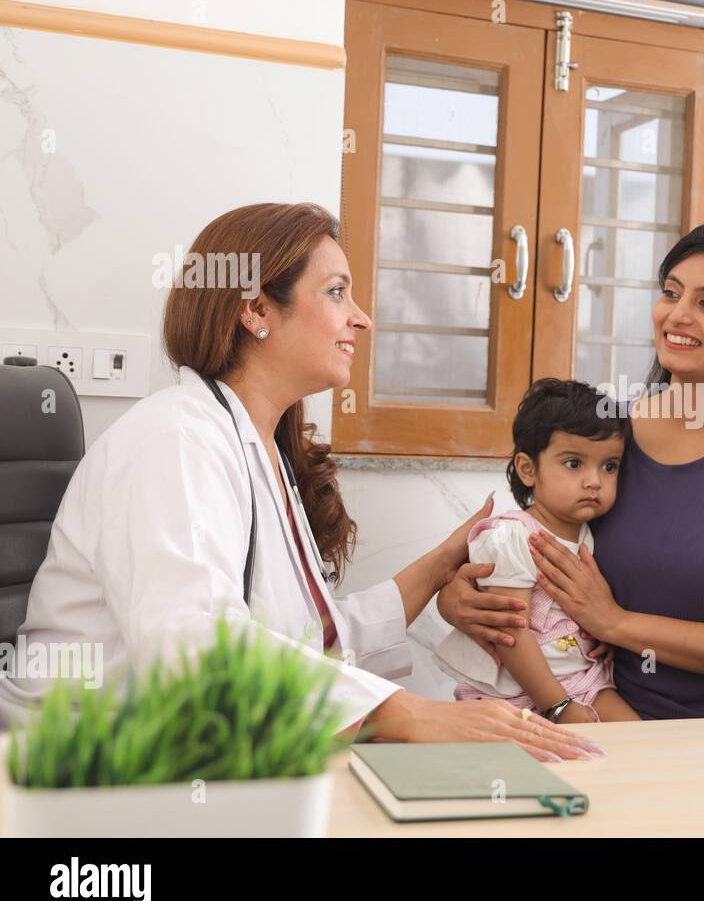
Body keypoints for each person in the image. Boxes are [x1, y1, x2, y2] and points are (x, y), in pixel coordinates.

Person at [0, 202, 598, 763]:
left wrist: (443, 564)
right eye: (336, 292)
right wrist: (410, 716)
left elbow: (309, 639)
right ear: (256, 310)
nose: (360, 317)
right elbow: (192, 651)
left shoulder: (256, 448)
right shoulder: (175, 438)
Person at [436, 221, 704, 719]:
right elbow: (525, 547)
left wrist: (616, 624)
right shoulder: (605, 437)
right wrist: (462, 600)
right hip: (604, 728)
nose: (678, 315)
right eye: (671, 293)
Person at [426, 378, 640, 724]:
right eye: (573, 463)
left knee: (640, 743)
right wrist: (560, 707)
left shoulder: (590, 534)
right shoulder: (511, 535)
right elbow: (511, 630)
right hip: (515, 693)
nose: (594, 481)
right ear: (528, 469)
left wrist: (600, 635)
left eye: (609, 466)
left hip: (585, 680)